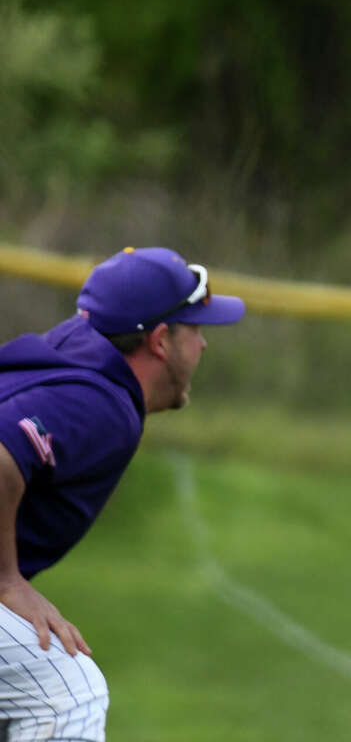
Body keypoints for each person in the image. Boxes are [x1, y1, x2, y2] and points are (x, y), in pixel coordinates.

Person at [0, 246, 245, 740]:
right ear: (160, 341)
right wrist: (6, 580)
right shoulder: (103, 403)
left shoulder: (79, 350)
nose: (203, 345)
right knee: (69, 694)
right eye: (195, 328)